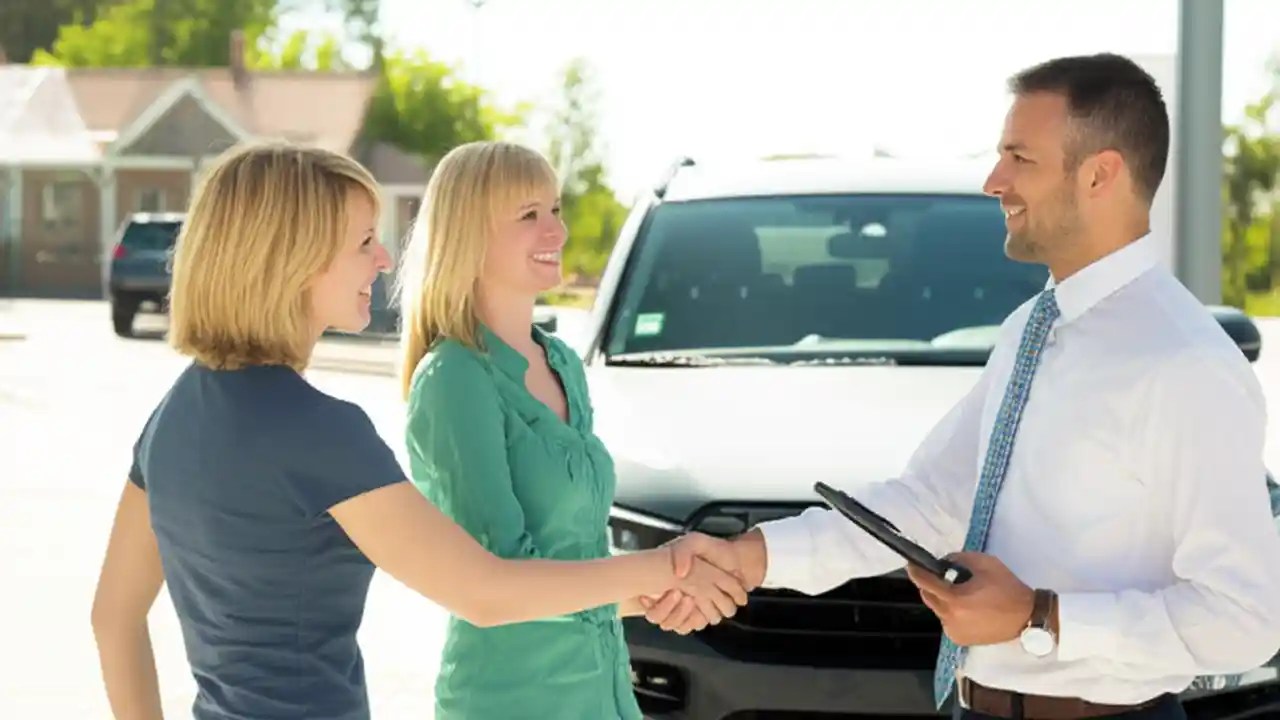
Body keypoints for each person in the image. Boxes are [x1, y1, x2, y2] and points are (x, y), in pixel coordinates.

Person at [670, 53, 1280, 719]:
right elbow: (929, 501)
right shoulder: (1032, 327)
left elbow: (1245, 617)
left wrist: (1039, 616)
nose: (994, 181)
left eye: (1021, 158)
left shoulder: (1182, 362)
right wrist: (750, 558)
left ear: (1101, 174)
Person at [89, 140, 749, 720]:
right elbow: (484, 591)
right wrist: (664, 564)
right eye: (362, 242)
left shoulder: (172, 418)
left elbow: (112, 620)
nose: (382, 259)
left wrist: (652, 585)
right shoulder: (320, 431)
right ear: (293, 260)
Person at [395, 140, 737, 720]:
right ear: (468, 234)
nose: (555, 231)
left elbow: (575, 564)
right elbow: (500, 584)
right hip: (513, 701)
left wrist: (656, 596)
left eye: (554, 209)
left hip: (604, 694)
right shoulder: (454, 378)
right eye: (528, 216)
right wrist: (659, 567)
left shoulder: (563, 364)